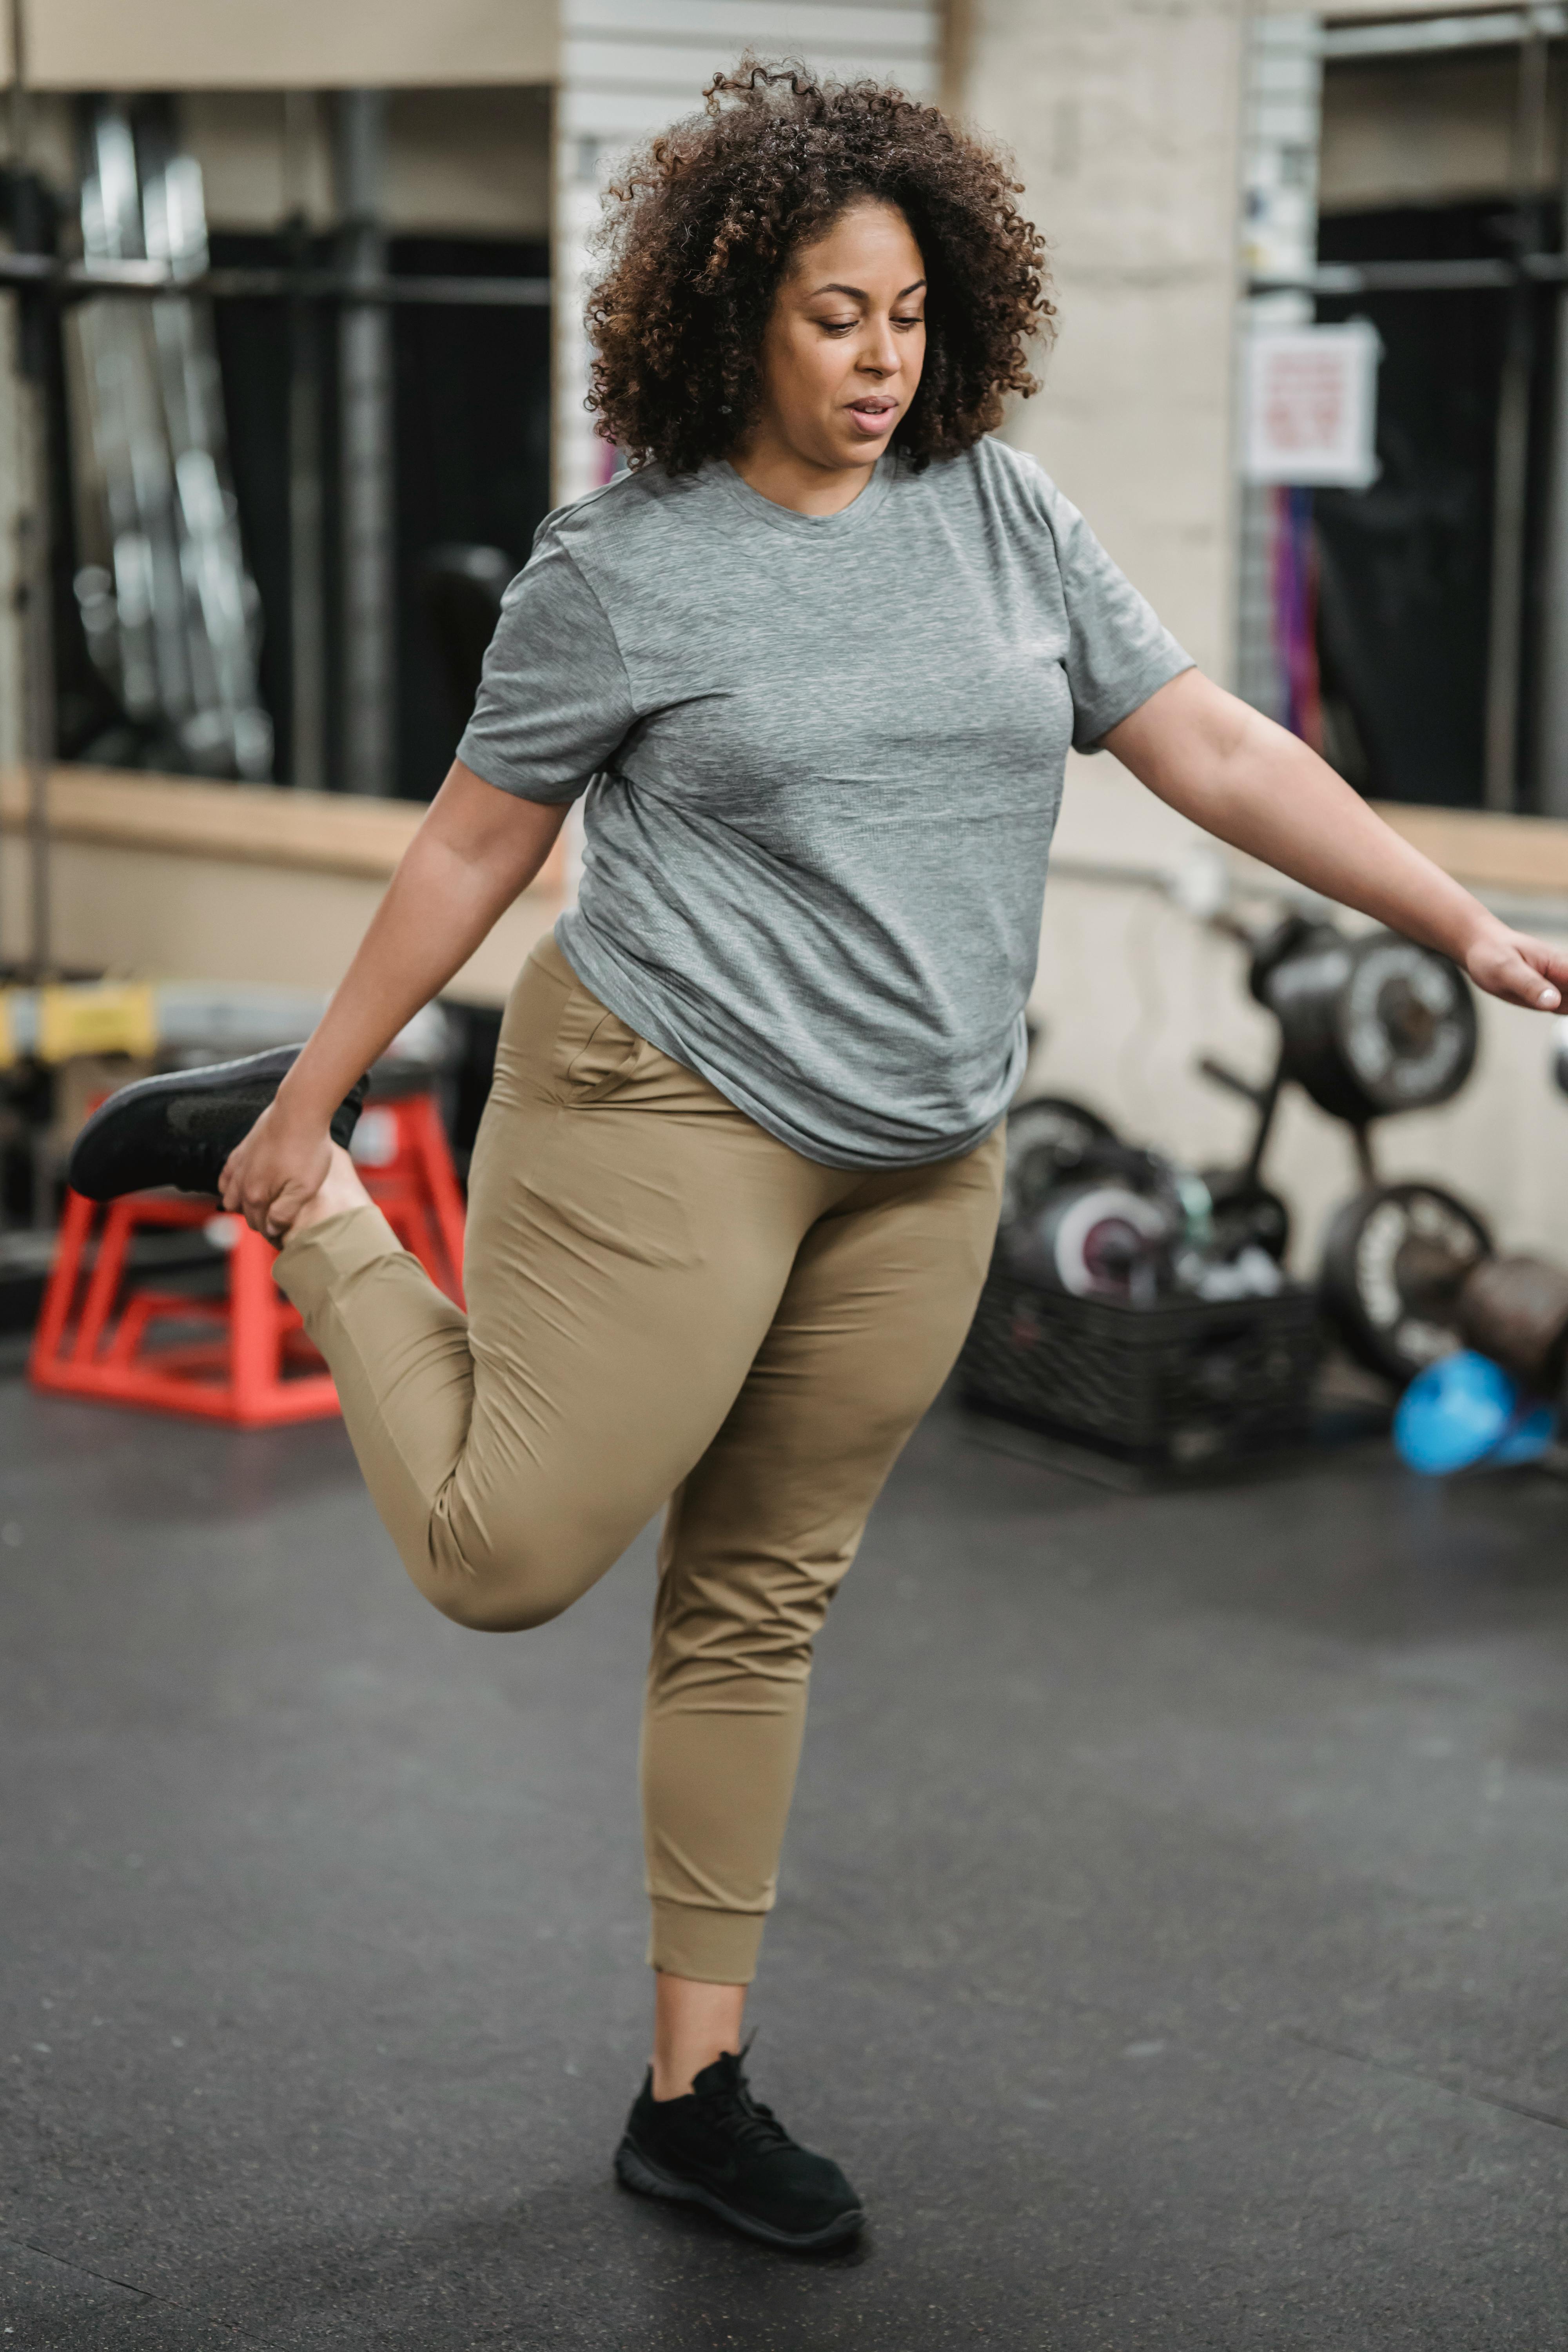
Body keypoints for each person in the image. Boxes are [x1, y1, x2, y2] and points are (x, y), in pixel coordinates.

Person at [72, 60, 1568, 2252]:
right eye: (833, 319)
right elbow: (475, 848)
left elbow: (1218, 747)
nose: (883, 366)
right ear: (725, 319)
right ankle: (307, 1193)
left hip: (924, 1153)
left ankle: (696, 2096)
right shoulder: (623, 567)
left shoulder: (1004, 513)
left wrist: (1449, 912)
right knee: (503, 1556)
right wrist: (326, 1083)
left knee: (755, 1608)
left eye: (908, 318)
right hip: (665, 1093)